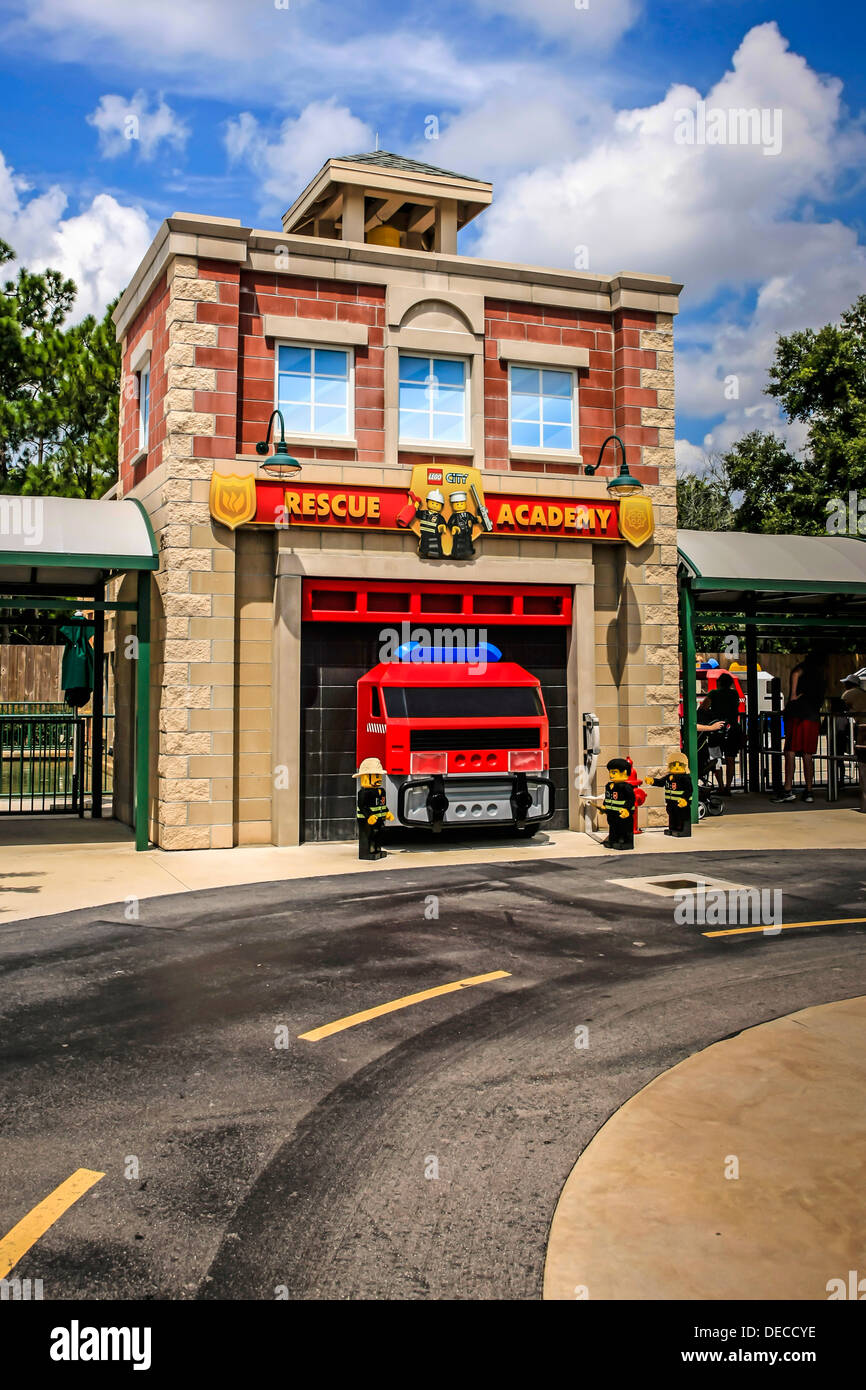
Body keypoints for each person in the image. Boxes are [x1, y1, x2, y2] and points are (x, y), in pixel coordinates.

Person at [771, 652, 826, 803]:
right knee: (808, 755)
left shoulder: (800, 670)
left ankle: (787, 788)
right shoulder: (820, 676)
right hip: (813, 717)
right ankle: (809, 790)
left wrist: (792, 697)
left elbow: (795, 676)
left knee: (790, 752)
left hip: (797, 715)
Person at [697, 672, 742, 793]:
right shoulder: (734, 694)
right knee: (730, 759)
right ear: (731, 683)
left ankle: (721, 786)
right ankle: (728, 787)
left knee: (715, 758)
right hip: (732, 728)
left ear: (718, 682)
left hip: (717, 730)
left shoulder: (714, 693)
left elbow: (702, 708)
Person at [354, 757, 394, 859]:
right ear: (366, 777)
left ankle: (377, 850)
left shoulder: (381, 791)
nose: (379, 779)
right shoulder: (363, 793)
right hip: (366, 820)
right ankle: (367, 852)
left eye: (379, 776)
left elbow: (382, 804)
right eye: (376, 776)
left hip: (379, 819)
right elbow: (363, 806)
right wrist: (369, 816)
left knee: (378, 835)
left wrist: (387, 812)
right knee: (368, 835)